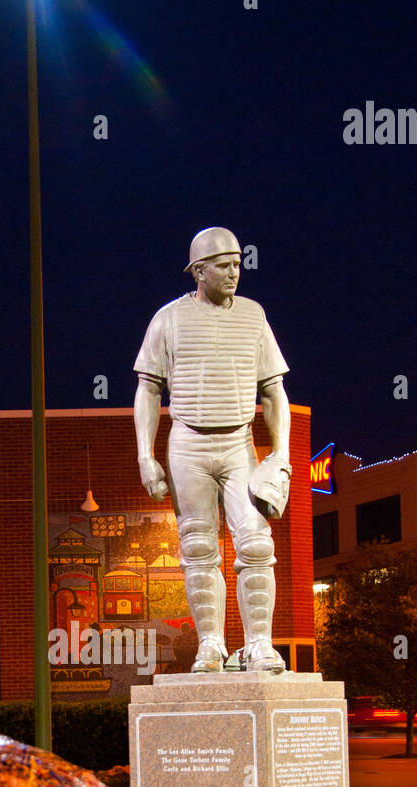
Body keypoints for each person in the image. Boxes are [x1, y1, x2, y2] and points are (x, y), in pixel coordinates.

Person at [133, 226, 292, 673]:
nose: (234, 272)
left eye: (238, 263)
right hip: (187, 443)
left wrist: (280, 452)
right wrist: (145, 456)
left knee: (257, 543)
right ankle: (210, 645)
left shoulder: (254, 316)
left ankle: (260, 644)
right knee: (199, 546)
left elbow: (274, 390)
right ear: (198, 271)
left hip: (239, 442)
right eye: (224, 264)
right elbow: (148, 389)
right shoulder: (168, 318)